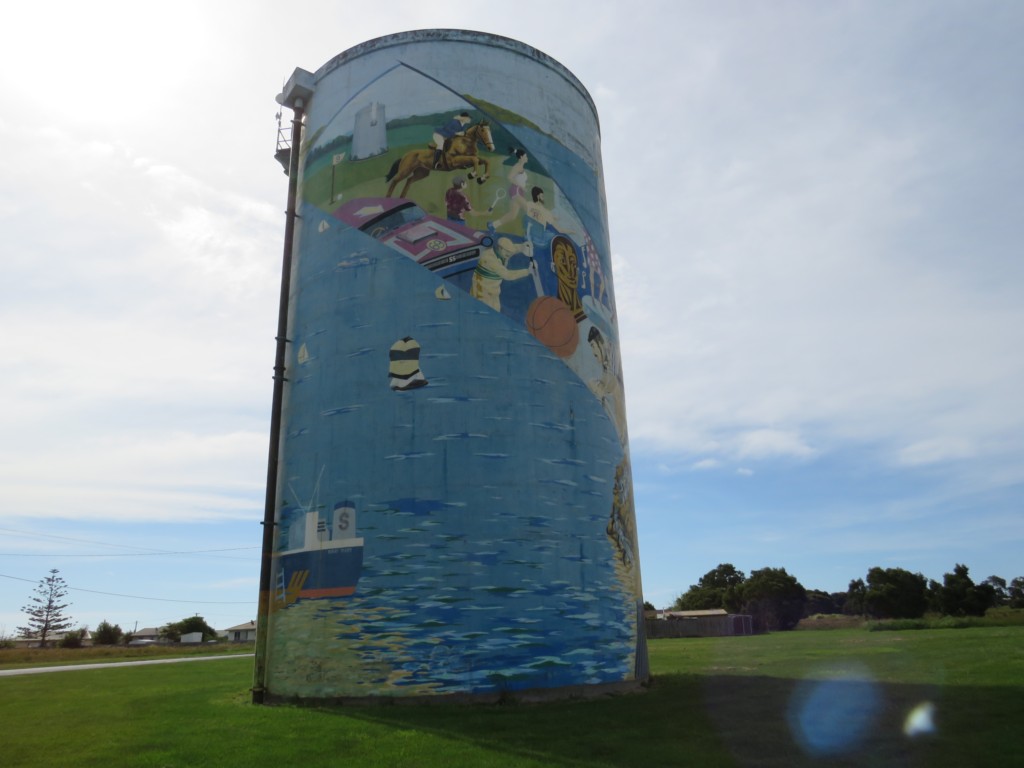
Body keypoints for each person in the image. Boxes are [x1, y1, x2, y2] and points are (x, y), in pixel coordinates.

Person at [470, 237, 534, 312]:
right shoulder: (489, 258)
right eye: (507, 251)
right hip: (481, 293)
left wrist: (523, 246)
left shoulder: (503, 253)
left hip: (493, 291)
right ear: (500, 248)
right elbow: (507, 275)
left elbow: (514, 249)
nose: (509, 254)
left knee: (496, 314)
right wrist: (527, 271)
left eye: (510, 252)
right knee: (485, 315)